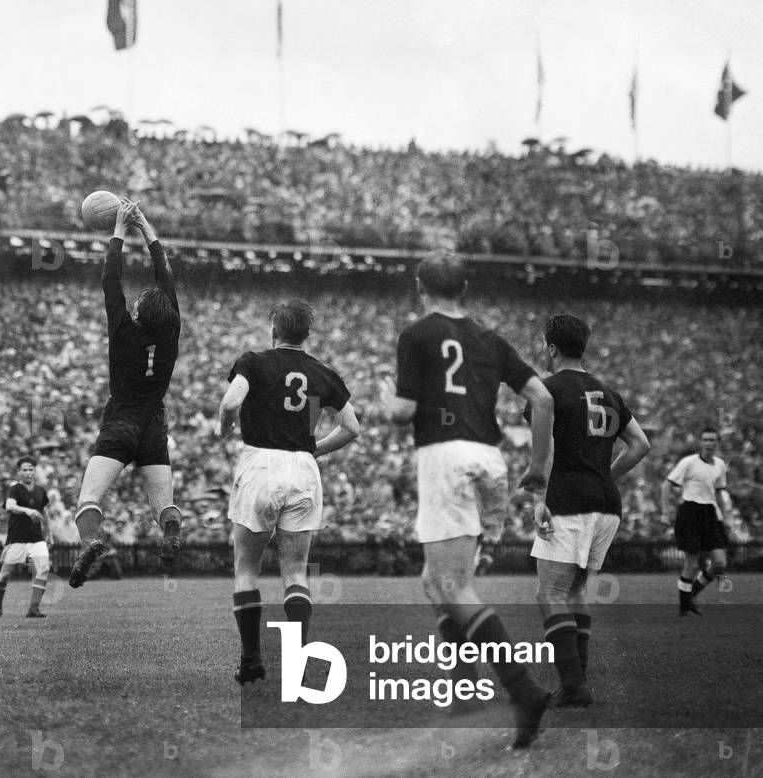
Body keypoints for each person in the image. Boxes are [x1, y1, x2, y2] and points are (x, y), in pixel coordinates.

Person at [378, 251, 554, 749]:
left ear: (420, 286)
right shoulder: (490, 338)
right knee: (437, 583)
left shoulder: (417, 335)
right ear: (465, 289)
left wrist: (385, 401)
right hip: (489, 461)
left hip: (446, 458)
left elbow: (403, 411)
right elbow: (541, 399)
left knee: (449, 585)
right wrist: (538, 467)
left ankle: (523, 690)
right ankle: (464, 687)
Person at [216, 299, 360, 685]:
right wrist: (314, 449)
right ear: (306, 335)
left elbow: (231, 401)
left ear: (274, 331)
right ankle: (297, 665)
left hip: (261, 462)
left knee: (247, 568)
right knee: (296, 572)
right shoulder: (322, 373)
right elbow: (351, 428)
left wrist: (224, 427)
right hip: (303, 468)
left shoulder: (255, 361)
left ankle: (251, 661)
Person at [527, 314, 650, 707]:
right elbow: (640, 445)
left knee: (550, 592)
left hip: (568, 501)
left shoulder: (546, 392)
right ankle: (576, 682)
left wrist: (538, 501)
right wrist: (606, 476)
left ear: (551, 347)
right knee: (576, 591)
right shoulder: (609, 393)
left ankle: (574, 686)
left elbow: (542, 454)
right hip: (605, 505)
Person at [69, 199, 183, 588]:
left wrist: (119, 228)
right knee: (163, 506)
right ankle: (169, 531)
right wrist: (145, 226)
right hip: (154, 422)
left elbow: (109, 280)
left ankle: (91, 540)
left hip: (121, 420)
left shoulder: (122, 330)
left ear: (135, 313)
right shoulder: (171, 331)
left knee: (90, 498)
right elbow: (164, 274)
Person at [663, 427, 731, 616]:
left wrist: (726, 516)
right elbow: (666, 485)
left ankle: (691, 593)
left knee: (720, 562)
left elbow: (719, 492)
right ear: (700, 443)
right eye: (705, 440)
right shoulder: (688, 462)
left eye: (712, 440)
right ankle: (685, 606)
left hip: (710, 513)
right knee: (691, 563)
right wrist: (665, 511)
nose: (708, 443)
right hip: (690, 511)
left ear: (717, 443)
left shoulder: (719, 464)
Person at [0, 456, 53, 617]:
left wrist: (50, 533)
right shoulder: (15, 489)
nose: (28, 473)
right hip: (17, 538)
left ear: (35, 471)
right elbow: (10, 506)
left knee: (44, 569)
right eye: (24, 470)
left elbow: (45, 513)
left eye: (31, 469)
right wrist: (27, 510)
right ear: (19, 472)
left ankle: (33, 609)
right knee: (5, 575)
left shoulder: (41, 490)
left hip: (36, 537)